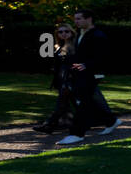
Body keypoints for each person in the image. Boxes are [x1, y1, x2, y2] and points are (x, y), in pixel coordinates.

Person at [57, 9, 121, 145]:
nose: (76, 21)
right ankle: (111, 120)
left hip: (93, 73)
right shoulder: (81, 34)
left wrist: (87, 65)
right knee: (87, 99)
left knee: (84, 102)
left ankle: (76, 133)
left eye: (79, 19)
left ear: (89, 19)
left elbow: (104, 56)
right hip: (82, 73)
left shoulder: (98, 35)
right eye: (75, 19)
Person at [31, 23, 77, 134]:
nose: (64, 34)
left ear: (71, 32)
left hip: (70, 79)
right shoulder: (59, 46)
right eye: (60, 32)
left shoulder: (74, 46)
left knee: (62, 103)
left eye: (66, 31)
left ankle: (49, 125)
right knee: (69, 103)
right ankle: (67, 123)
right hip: (61, 78)